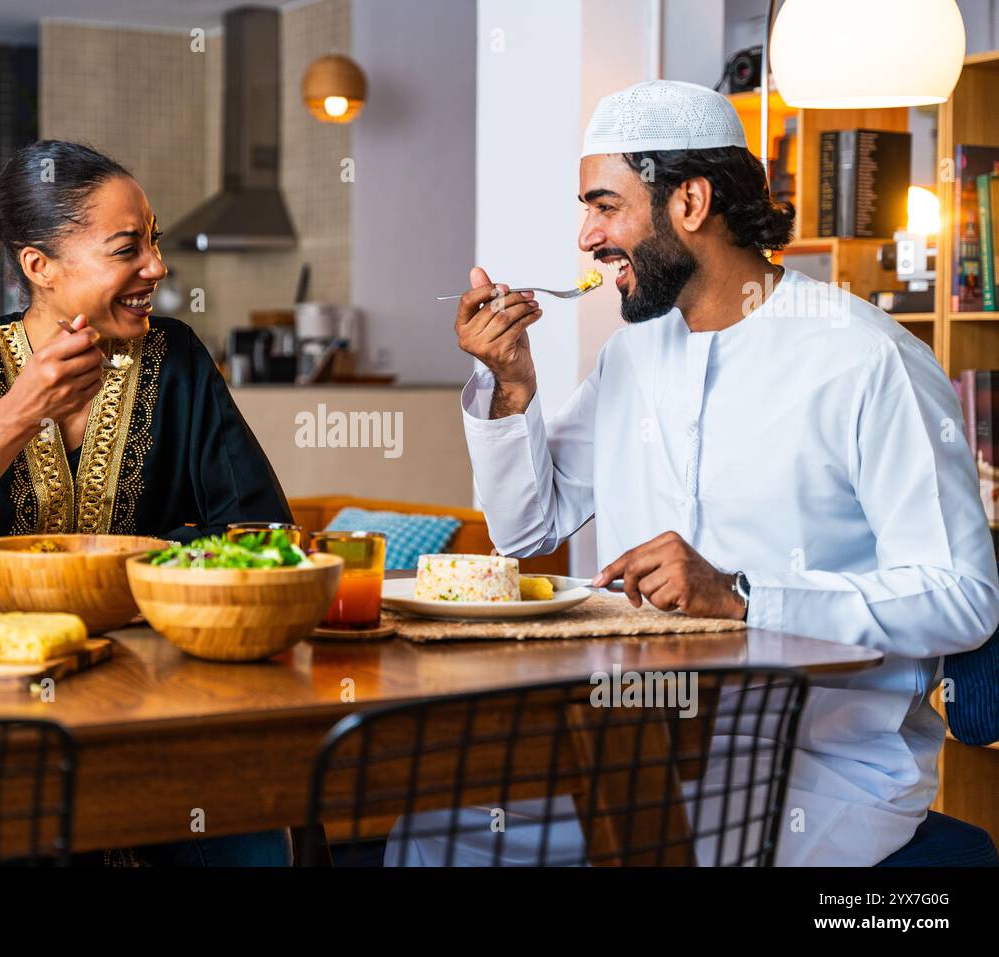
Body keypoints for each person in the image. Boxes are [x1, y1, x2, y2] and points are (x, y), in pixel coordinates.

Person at [427, 80, 999, 866]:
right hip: (636, 744)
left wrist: (744, 597)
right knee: (437, 839)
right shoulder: (631, 355)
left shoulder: (869, 360)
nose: (587, 236)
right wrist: (513, 389)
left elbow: (963, 597)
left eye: (604, 205)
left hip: (822, 773)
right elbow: (527, 527)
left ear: (690, 201)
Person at [0, 140, 293, 867]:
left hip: (166, 715)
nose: (157, 267)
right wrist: (18, 412)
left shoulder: (178, 361)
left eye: (154, 242)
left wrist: (114, 564)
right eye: (128, 248)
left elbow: (263, 534)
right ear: (39, 266)